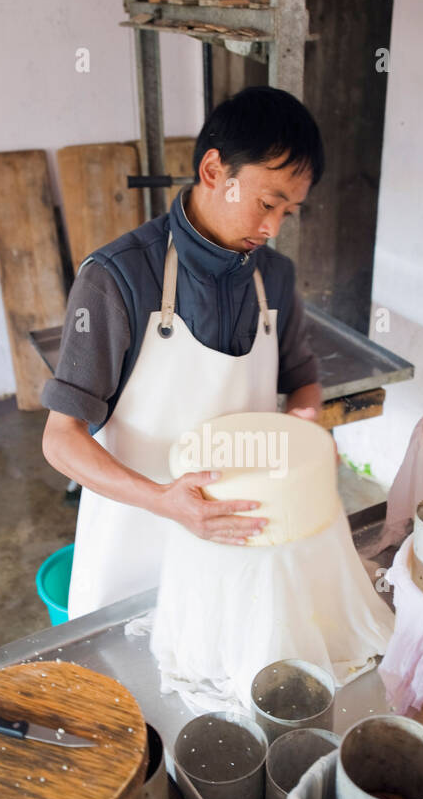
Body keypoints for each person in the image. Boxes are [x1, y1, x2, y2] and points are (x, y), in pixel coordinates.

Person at [42, 84, 326, 618]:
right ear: (214, 170)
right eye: (267, 203)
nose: (272, 228)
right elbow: (61, 439)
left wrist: (306, 429)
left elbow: (302, 383)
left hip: (240, 542)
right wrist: (163, 500)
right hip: (136, 547)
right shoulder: (117, 278)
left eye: (289, 212)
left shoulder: (275, 279)